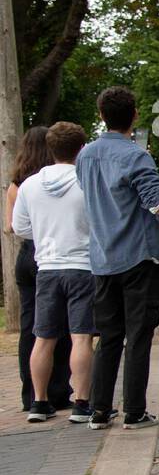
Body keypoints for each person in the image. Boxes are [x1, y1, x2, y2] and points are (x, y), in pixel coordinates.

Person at [76, 85, 159, 429]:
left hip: (102, 257)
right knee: (137, 334)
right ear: (134, 115)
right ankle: (134, 410)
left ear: (101, 115)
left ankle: (100, 410)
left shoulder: (85, 156)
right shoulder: (137, 156)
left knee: (108, 336)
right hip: (137, 255)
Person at [12, 122, 96, 423]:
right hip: (82, 266)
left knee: (43, 338)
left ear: (51, 147)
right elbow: (99, 220)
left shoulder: (31, 184)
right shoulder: (86, 180)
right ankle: (82, 402)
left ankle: (39, 401)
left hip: (46, 266)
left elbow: (19, 227)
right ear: (80, 148)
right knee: (81, 337)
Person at [4, 126, 73, 414]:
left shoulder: (16, 186)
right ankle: (58, 389)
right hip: (52, 255)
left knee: (31, 328)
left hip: (26, 255)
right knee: (63, 326)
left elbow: (11, 227)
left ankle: (31, 392)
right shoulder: (53, 184)